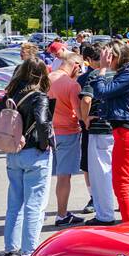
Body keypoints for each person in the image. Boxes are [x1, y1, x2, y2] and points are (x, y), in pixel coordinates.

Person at [0, 57, 55, 256]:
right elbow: (43, 122)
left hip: (13, 153)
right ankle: (29, 251)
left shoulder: (11, 95)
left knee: (14, 203)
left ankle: (11, 250)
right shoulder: (39, 96)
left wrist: (7, 136)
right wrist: (45, 145)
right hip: (34, 152)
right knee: (35, 204)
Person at [83, 44, 129, 224]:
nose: (105, 59)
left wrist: (102, 68)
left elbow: (101, 92)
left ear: (116, 56)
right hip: (125, 128)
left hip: (126, 130)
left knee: (122, 182)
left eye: (108, 56)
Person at [78, 45, 118, 225]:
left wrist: (85, 118)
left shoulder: (95, 75)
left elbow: (86, 99)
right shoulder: (121, 75)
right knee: (120, 172)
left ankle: (105, 215)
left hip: (99, 128)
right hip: (118, 127)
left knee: (101, 174)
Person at [48, 52, 87, 227]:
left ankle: (54, 212)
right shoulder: (72, 85)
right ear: (76, 66)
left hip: (48, 132)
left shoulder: (47, 78)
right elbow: (79, 114)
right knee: (64, 177)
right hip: (68, 132)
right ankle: (61, 214)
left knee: (49, 175)